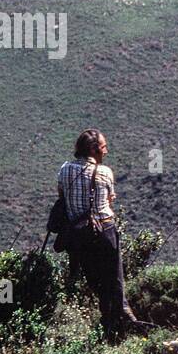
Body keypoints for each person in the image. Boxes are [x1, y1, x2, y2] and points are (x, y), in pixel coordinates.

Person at [57, 129, 138, 341]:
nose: (106, 151)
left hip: (80, 236)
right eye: (103, 147)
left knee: (97, 283)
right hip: (105, 231)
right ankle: (123, 324)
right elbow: (109, 202)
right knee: (115, 281)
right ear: (93, 150)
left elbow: (62, 197)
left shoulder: (64, 170)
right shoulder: (104, 172)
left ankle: (108, 325)